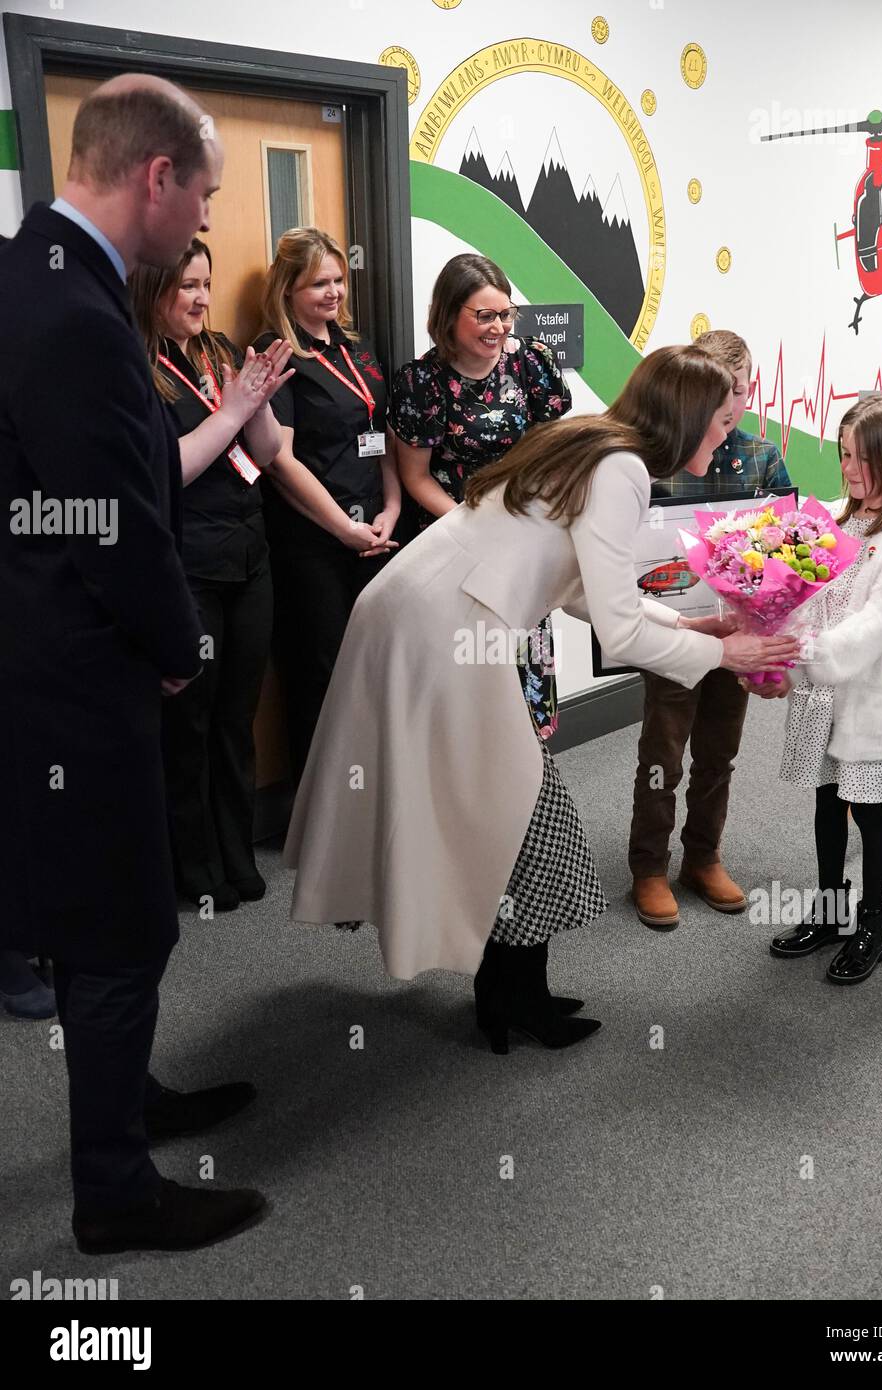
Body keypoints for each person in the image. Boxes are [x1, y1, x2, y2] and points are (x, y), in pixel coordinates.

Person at [284, 346, 800, 1053]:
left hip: (432, 614)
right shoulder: (620, 470)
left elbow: (586, 590)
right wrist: (723, 652)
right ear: (684, 421)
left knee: (515, 818)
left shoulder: (595, 442)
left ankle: (509, 995)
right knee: (523, 818)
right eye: (719, 423)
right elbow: (616, 623)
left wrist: (685, 624)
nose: (727, 435)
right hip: (449, 629)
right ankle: (510, 997)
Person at [0, 74, 265, 1254]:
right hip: (76, 671)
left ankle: (130, 1097)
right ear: (156, 178)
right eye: (201, 198)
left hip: (43, 655)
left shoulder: (33, 277)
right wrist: (176, 647)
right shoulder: (75, 318)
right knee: (118, 927)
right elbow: (117, 522)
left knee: (106, 918)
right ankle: (113, 1189)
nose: (202, 224)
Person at [130, 239, 292, 913]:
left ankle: (235, 850)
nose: (199, 298)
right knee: (188, 724)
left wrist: (255, 401)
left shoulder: (220, 353)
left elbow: (269, 452)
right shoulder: (134, 367)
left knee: (236, 716)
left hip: (248, 555)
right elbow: (167, 471)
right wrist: (229, 410)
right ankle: (192, 864)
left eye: (205, 283)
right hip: (187, 564)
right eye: (184, 286)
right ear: (150, 291)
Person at [759, 393, 882, 984]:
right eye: (845, 455)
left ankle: (872, 923)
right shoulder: (834, 514)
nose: (851, 471)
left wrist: (802, 652)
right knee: (827, 801)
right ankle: (832, 911)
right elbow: (797, 590)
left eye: (865, 460)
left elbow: (874, 625)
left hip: (869, 696)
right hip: (819, 693)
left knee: (868, 808)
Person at [629, 329, 793, 929]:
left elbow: (787, 543)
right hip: (673, 628)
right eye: (724, 397)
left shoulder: (761, 457)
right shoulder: (656, 457)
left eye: (742, 394)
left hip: (738, 631)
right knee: (663, 750)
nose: (734, 410)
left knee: (719, 751)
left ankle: (702, 856)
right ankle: (648, 866)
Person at [390, 253, 571, 740]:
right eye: (484, 316)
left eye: (505, 313)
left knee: (523, 665)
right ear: (450, 316)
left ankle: (531, 784)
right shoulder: (420, 383)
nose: (498, 328)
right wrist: (475, 527)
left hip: (522, 536)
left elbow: (550, 446)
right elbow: (417, 478)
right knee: (468, 669)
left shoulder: (531, 362)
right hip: (455, 539)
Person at [254, 227, 401, 786]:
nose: (334, 291)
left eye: (338, 279)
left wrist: (390, 505)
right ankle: (320, 811)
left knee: (375, 666)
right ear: (287, 289)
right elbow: (280, 460)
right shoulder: (281, 355)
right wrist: (342, 528)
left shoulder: (357, 348)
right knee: (322, 672)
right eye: (319, 283)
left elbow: (379, 433)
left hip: (377, 533)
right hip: (315, 539)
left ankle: (369, 793)